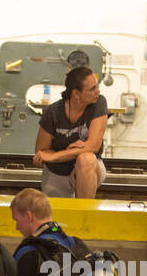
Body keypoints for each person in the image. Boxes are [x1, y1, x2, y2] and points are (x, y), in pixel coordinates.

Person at [33, 66, 107, 199]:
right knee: (56, 215)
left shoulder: (99, 103)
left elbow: (93, 146)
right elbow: (41, 153)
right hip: (57, 171)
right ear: (76, 94)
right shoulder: (53, 112)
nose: (98, 91)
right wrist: (71, 150)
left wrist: (57, 155)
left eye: (96, 86)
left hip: (90, 170)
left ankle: (84, 215)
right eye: (92, 89)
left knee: (86, 158)